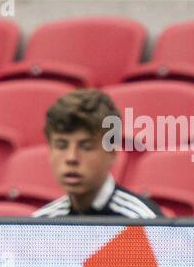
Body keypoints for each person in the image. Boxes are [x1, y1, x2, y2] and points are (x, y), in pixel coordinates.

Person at [32, 89, 163, 218]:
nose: (71, 158)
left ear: (112, 152)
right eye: (61, 146)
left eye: (86, 147)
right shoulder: (40, 225)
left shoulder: (143, 221)